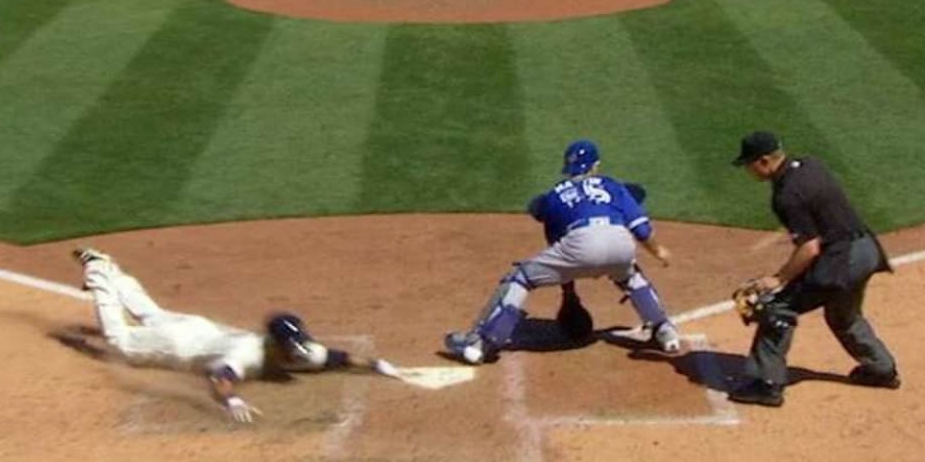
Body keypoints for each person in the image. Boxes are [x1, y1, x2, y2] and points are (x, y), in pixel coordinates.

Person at [71, 247, 393, 423]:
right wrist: (231, 399)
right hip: (177, 345)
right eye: (290, 350)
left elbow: (336, 357)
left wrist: (377, 365)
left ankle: (113, 273)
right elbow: (221, 379)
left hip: (196, 330)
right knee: (120, 341)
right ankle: (99, 272)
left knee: (149, 313)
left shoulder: (298, 348)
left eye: (297, 348)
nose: (296, 355)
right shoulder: (246, 355)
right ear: (275, 344)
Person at [443, 139, 678, 365]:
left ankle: (480, 343)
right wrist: (658, 251)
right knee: (630, 276)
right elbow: (640, 228)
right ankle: (664, 330)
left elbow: (558, 243)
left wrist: (569, 292)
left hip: (580, 243)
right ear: (596, 166)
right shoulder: (612, 185)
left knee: (521, 278)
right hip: (621, 242)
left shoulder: (555, 195)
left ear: (568, 167)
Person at [727, 131, 900, 408]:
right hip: (866, 249)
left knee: (776, 308)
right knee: (844, 315)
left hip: (842, 261)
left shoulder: (786, 196)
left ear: (764, 161)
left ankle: (766, 384)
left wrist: (778, 279)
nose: (747, 170)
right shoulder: (811, 165)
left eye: (749, 164)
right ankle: (881, 369)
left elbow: (810, 248)